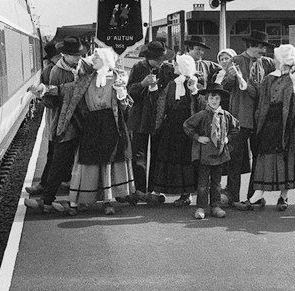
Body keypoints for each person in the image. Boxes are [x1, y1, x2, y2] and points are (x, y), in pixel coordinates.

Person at [58, 46, 135, 215]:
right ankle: (83, 199)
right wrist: (46, 90)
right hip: (91, 125)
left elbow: (127, 106)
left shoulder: (117, 78)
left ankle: (108, 201)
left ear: (106, 61)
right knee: (87, 162)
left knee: (109, 162)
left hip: (111, 126)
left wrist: (121, 93)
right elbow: (68, 89)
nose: (92, 60)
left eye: (96, 58)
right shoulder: (86, 78)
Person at [243, 43, 295, 210]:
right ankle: (257, 196)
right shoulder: (269, 78)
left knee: (286, 158)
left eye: (275, 57)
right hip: (270, 123)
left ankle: (283, 197)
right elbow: (261, 102)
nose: (273, 59)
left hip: (288, 124)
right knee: (267, 158)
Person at [24, 36, 86, 212]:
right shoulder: (56, 73)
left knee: (84, 161)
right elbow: (52, 103)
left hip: (84, 120)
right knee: (59, 161)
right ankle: (47, 200)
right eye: (74, 56)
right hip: (65, 123)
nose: (78, 58)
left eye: (79, 55)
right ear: (64, 55)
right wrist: (43, 95)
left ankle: (81, 199)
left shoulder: (84, 66)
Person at [223, 30, 276, 207]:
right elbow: (225, 87)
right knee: (235, 157)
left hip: (261, 117)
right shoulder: (236, 61)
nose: (263, 50)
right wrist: (231, 76)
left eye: (265, 47)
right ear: (251, 45)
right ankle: (232, 195)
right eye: (260, 47)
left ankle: (254, 196)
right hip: (241, 116)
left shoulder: (267, 63)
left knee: (259, 157)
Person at [125, 40, 173, 204]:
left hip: (159, 118)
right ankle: (139, 190)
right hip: (140, 117)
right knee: (139, 156)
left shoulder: (166, 69)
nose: (161, 62)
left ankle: (153, 189)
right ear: (148, 57)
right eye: (157, 60)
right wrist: (143, 84)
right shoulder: (138, 68)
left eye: (162, 59)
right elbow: (128, 91)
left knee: (157, 154)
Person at [149, 53, 201, 203]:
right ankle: (161, 190)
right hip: (171, 126)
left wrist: (194, 91)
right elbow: (162, 103)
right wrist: (158, 125)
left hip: (187, 126)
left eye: (177, 64)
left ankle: (186, 194)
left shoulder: (194, 82)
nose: (174, 66)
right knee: (167, 156)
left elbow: (199, 105)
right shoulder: (172, 84)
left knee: (184, 159)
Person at [183, 85, 238, 220]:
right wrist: (198, 137)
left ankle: (215, 206)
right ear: (207, 99)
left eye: (217, 98)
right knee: (202, 184)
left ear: (220, 100)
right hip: (204, 156)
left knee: (216, 183)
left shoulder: (225, 115)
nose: (214, 101)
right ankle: (202, 207)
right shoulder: (202, 114)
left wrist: (227, 138)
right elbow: (187, 125)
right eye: (211, 98)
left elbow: (236, 128)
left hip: (219, 155)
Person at [27, 40, 63, 197]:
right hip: (55, 116)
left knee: (57, 153)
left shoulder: (58, 69)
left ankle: (51, 183)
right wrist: (42, 97)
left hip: (64, 116)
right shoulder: (49, 71)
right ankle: (45, 185)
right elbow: (50, 99)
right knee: (53, 152)